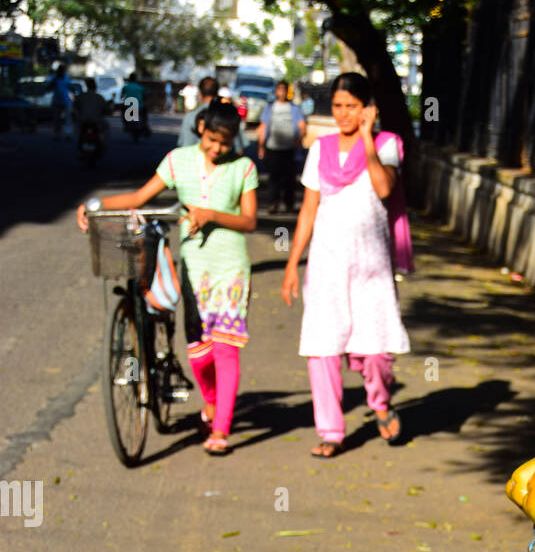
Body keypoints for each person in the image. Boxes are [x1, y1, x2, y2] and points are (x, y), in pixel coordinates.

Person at [77, 101, 258, 455]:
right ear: (200, 128)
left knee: (226, 348)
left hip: (231, 268)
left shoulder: (244, 168)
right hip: (194, 266)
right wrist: (96, 206)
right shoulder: (178, 160)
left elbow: (250, 221)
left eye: (224, 142)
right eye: (211, 140)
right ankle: (210, 401)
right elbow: (140, 197)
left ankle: (220, 429)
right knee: (198, 352)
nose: (217, 149)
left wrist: (212, 215)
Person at [281, 72, 412, 457]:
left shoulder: (387, 145)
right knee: (322, 347)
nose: (343, 114)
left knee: (375, 351)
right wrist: (292, 264)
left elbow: (385, 188)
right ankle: (331, 431)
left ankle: (381, 403)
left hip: (371, 261)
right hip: (327, 260)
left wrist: (368, 137)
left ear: (367, 108)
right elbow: (308, 211)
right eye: (337, 106)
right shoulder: (320, 149)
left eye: (351, 107)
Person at [256, 80, 306, 213]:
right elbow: (263, 127)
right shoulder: (270, 108)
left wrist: (299, 140)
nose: (282, 92)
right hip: (273, 147)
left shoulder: (294, 109)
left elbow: (302, 126)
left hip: (290, 148)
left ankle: (289, 203)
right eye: (280, 89)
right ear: (276, 91)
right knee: (274, 177)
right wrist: (261, 145)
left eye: (284, 89)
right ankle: (273, 203)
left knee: (290, 178)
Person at [178, 76, 245, 155]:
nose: (216, 149)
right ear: (217, 93)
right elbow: (238, 149)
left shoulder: (189, 117)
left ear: (200, 94)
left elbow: (185, 147)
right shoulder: (227, 116)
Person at [73, 77, 109, 143]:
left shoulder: (81, 96)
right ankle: (103, 142)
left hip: (83, 120)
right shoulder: (99, 97)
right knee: (106, 127)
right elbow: (106, 109)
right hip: (96, 121)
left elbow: (75, 107)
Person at [120, 71, 149, 137]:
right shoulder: (139, 87)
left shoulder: (126, 87)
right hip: (139, 107)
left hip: (128, 107)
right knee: (144, 116)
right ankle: (144, 125)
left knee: (123, 114)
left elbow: (122, 96)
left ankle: (126, 126)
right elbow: (146, 95)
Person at [50, 64, 72, 140]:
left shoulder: (66, 78)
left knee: (67, 119)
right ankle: (57, 134)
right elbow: (49, 86)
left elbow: (70, 87)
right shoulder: (54, 77)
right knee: (57, 119)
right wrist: (55, 79)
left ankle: (67, 134)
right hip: (57, 100)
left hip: (66, 101)